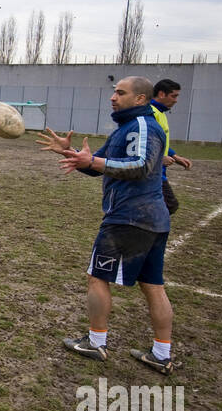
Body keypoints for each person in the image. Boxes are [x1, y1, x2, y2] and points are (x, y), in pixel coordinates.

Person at [38, 76, 175, 375]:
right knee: (153, 285)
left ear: (140, 99)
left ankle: (96, 341)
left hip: (130, 218)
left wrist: (96, 164)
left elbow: (142, 167)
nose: (113, 97)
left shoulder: (143, 126)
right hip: (149, 219)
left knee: (96, 277)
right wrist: (71, 153)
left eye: (120, 92)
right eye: (114, 92)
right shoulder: (125, 129)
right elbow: (95, 164)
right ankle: (161, 353)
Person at [150, 79, 193, 213]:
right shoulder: (151, 112)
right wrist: (159, 158)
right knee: (168, 205)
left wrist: (174, 155)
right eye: (173, 96)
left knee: (165, 206)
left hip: (157, 171)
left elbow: (160, 141)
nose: (176, 100)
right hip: (151, 171)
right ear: (162, 94)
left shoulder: (160, 112)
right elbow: (147, 140)